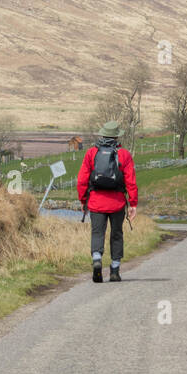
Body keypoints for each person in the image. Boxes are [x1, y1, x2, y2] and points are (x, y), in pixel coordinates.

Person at [77, 121, 138, 282]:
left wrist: (83, 201)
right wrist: (133, 204)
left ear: (102, 134)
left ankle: (97, 259)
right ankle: (115, 270)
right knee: (116, 235)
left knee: (97, 233)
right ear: (117, 136)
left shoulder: (91, 153)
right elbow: (131, 181)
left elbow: (82, 180)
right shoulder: (124, 154)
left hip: (96, 202)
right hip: (117, 202)